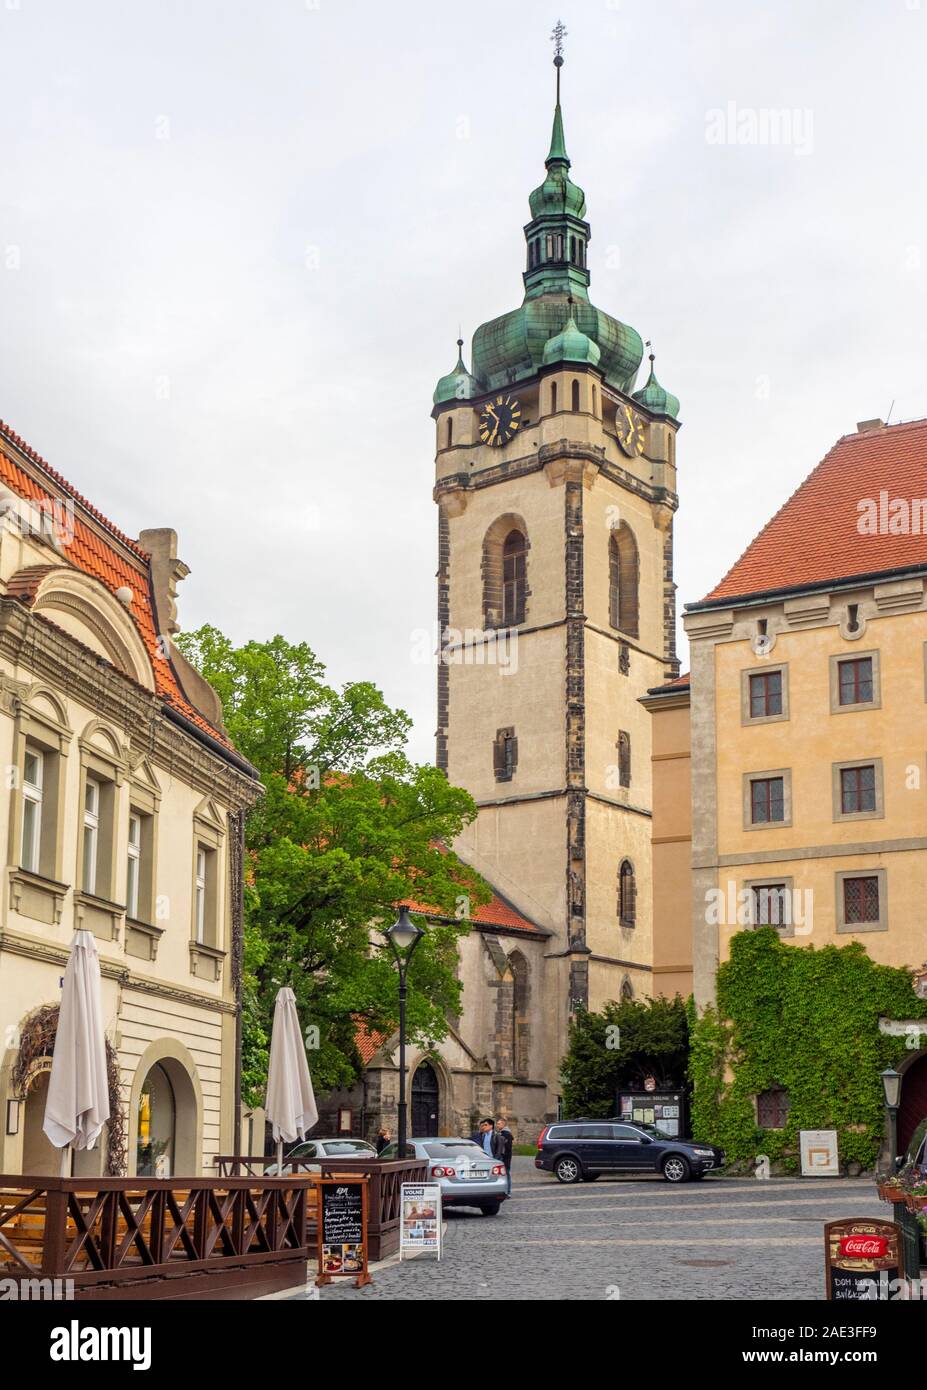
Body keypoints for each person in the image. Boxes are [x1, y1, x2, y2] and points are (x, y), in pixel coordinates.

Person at [496, 1116, 514, 1194]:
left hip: (505, 1158)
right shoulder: (502, 1133)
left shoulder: (506, 1134)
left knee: (506, 1175)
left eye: (499, 1124)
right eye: (497, 1124)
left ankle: (508, 1192)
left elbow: (507, 1148)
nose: (497, 1125)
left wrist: (502, 1156)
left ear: (503, 1124)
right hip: (503, 1158)